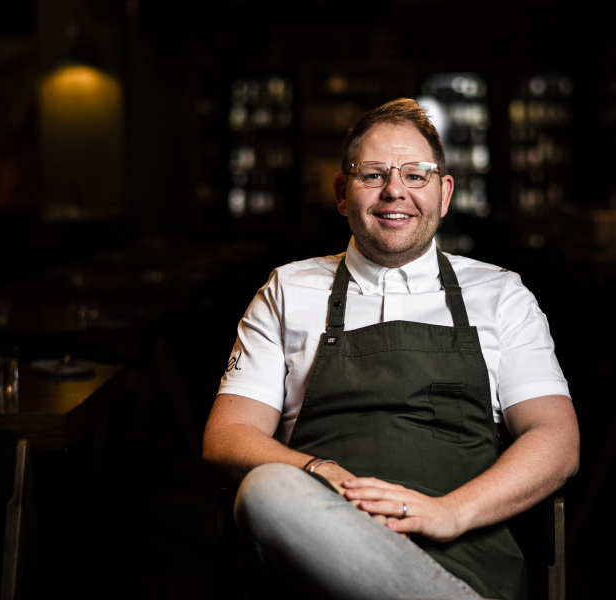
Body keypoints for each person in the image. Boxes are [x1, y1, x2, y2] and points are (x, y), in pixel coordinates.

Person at [202, 97, 580, 600]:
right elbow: (227, 436)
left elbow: (557, 437)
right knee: (267, 490)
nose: (395, 191)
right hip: (315, 553)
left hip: (461, 559)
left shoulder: (501, 295)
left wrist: (450, 512)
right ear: (342, 193)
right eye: (373, 174)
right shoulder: (288, 290)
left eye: (416, 176)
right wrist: (317, 473)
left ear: (444, 194)